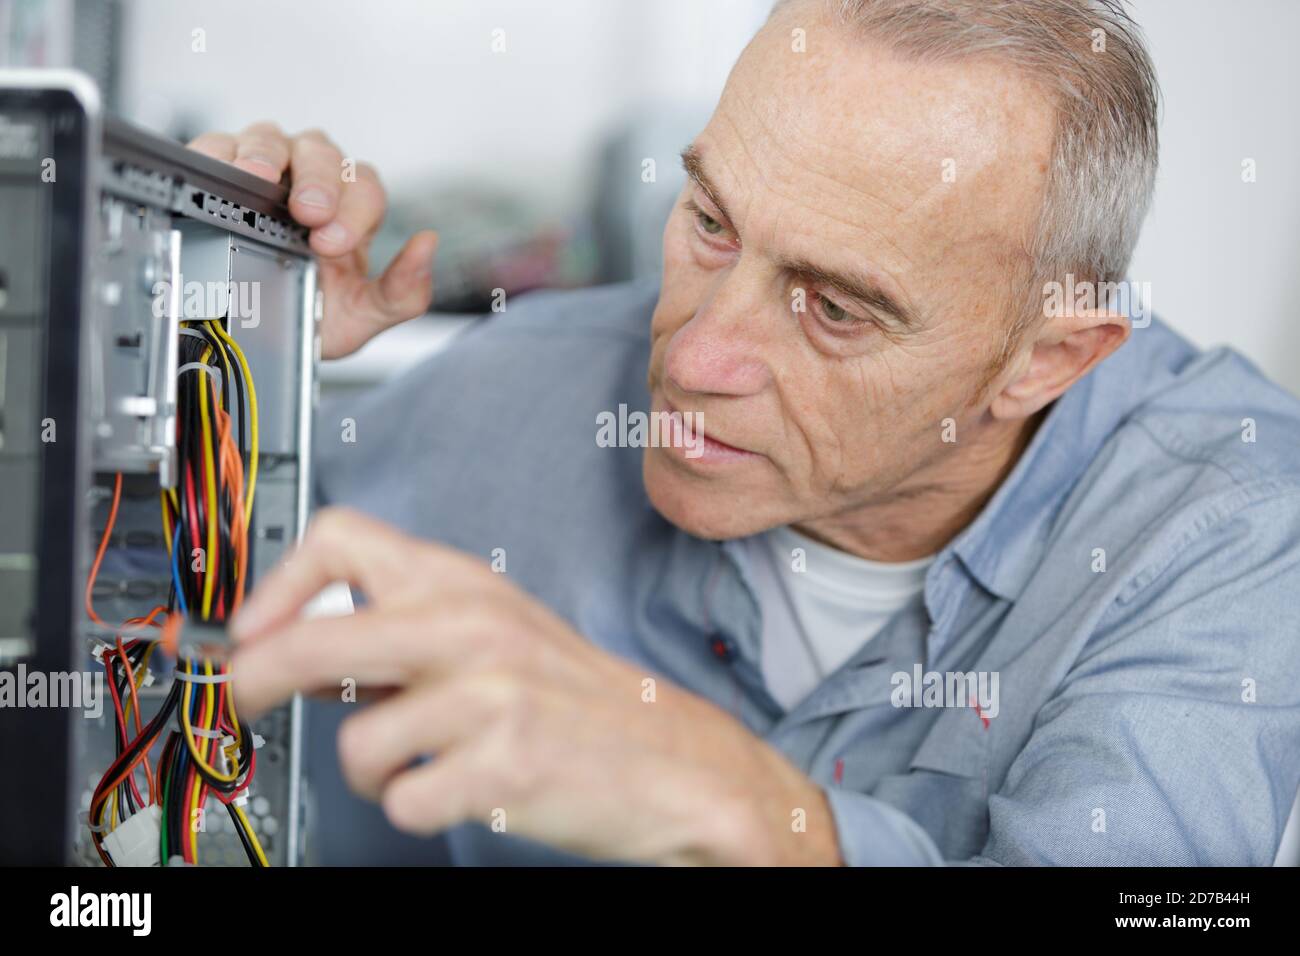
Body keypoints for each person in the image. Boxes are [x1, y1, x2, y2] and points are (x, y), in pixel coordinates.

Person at [194, 0, 1300, 865]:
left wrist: (748, 813)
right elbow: (145, 622)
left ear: (1045, 358)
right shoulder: (513, 393)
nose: (688, 359)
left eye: (835, 307)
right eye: (712, 224)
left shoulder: (1231, 523)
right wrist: (244, 352)